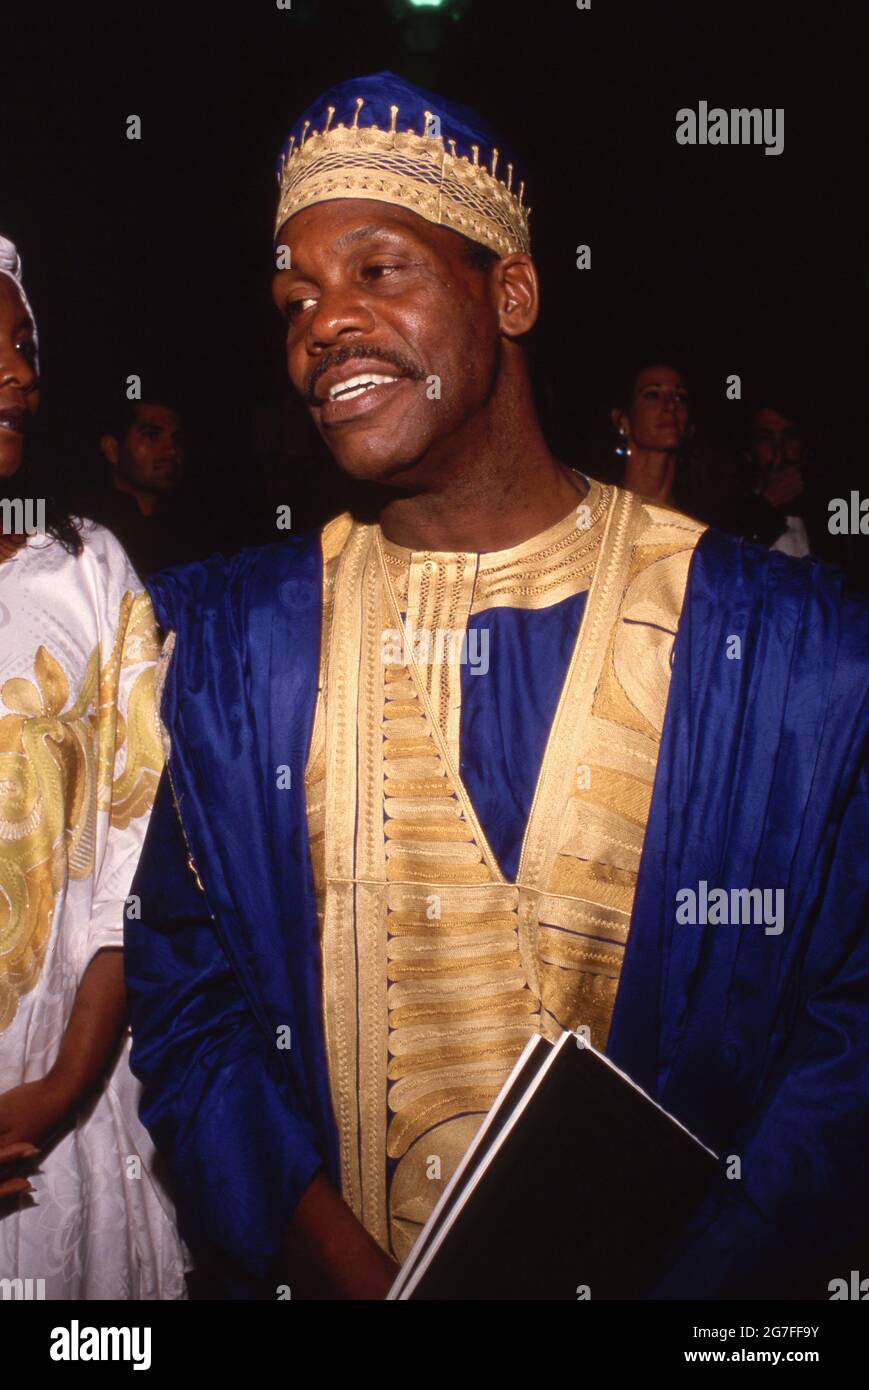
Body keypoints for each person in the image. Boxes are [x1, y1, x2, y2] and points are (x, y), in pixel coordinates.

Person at [124, 73, 868, 1300]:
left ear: (509, 289)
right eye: (294, 296)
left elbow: (841, 1035)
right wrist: (339, 1265)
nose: (321, 322)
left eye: (377, 270)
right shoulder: (227, 650)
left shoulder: (786, 649)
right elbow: (190, 1005)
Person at [0, 234, 186, 1298]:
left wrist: (62, 1085)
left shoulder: (88, 574)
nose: (20, 373)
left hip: (64, 1121)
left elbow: (138, 861)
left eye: (24, 345)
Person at [609, 361, 693, 508]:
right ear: (623, 420)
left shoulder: (703, 522)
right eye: (653, 395)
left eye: (680, 397)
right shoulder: (598, 508)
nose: (671, 405)